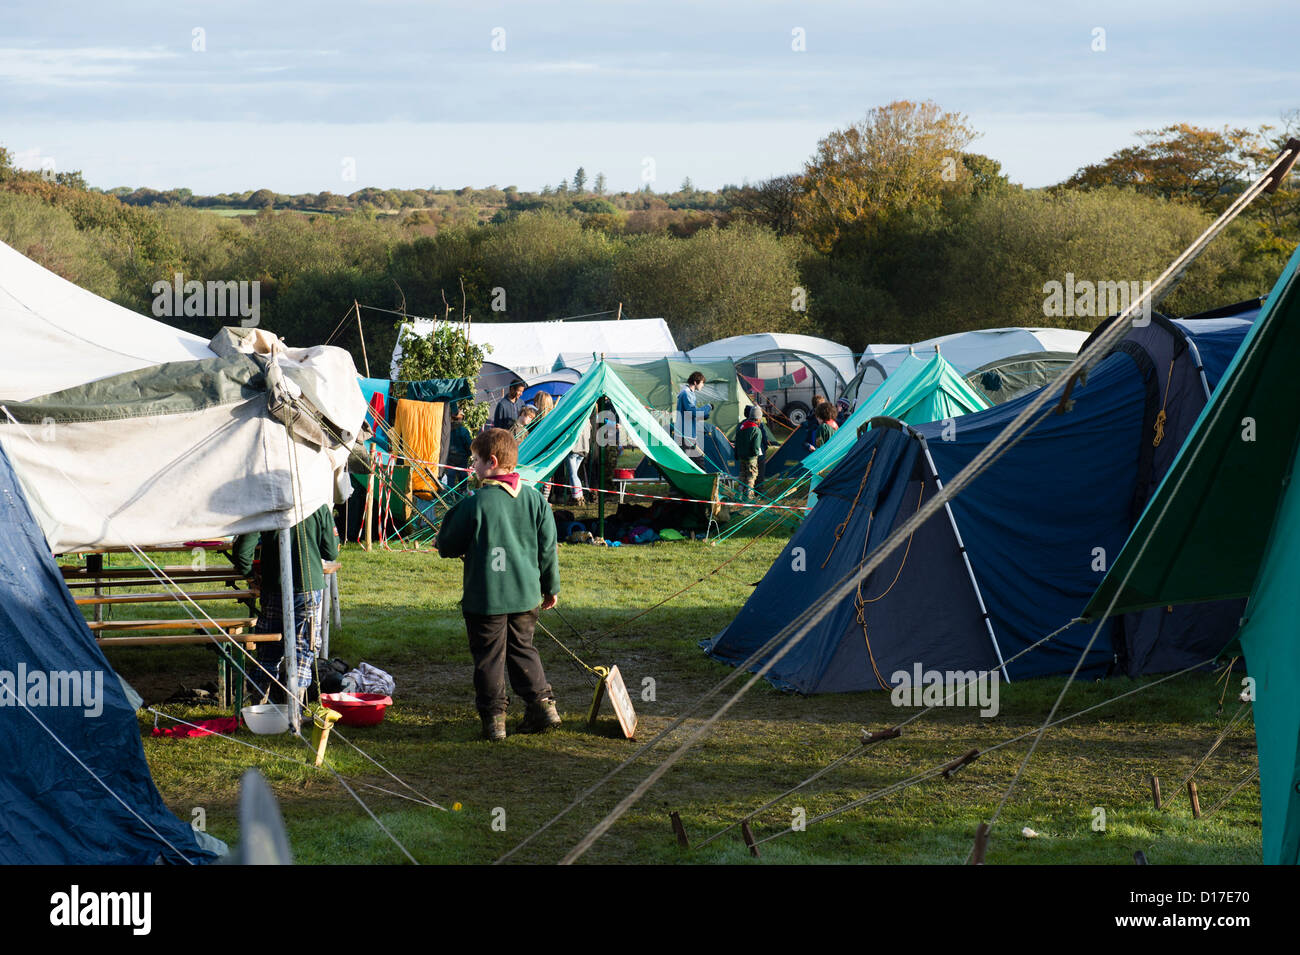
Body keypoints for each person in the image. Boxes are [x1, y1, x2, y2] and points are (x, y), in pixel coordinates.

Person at [436, 428, 561, 741]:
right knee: (523, 649)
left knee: (490, 657)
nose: (472, 467)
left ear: (491, 462)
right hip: (526, 595)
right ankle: (543, 707)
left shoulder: (475, 503)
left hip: (485, 599)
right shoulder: (534, 499)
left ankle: (495, 722)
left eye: (476, 460)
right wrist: (551, 587)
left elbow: (446, 545)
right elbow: (548, 548)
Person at [233, 503, 338, 704]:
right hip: (308, 587)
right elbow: (331, 552)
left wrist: (249, 574)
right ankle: (294, 710)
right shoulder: (316, 504)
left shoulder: (267, 503)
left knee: (268, 650)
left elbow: (242, 551)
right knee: (303, 651)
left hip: (273, 587)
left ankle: (260, 706)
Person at [675, 371, 713, 461]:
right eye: (702, 383)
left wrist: (704, 415)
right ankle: (704, 476)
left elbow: (690, 414)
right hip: (686, 434)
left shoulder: (690, 393)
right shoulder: (686, 394)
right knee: (698, 461)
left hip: (688, 433)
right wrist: (708, 407)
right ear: (695, 382)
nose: (703, 385)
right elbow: (692, 412)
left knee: (690, 462)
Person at [734, 405, 765, 500]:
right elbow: (756, 447)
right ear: (758, 418)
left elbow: (736, 443)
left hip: (741, 456)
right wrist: (757, 454)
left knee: (742, 475)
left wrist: (736, 454)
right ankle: (749, 496)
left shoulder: (742, 427)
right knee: (751, 476)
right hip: (751, 458)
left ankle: (738, 494)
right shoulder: (756, 430)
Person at [445, 404, 473, 484]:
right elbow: (469, 447)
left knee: (450, 481)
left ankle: (450, 495)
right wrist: (467, 455)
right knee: (462, 480)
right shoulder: (464, 431)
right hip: (462, 459)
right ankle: (462, 493)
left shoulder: (446, 431)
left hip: (449, 460)